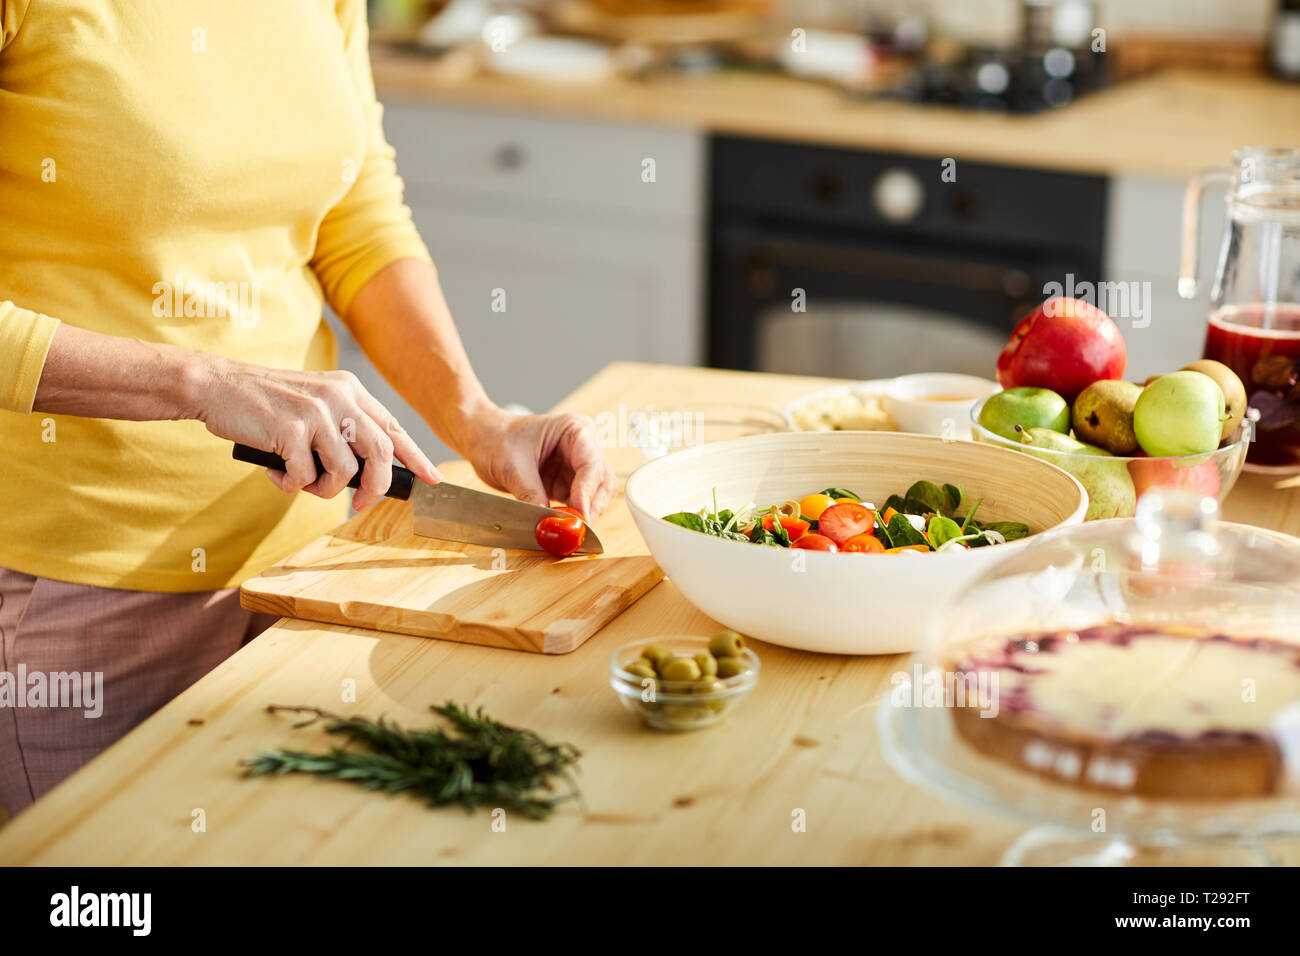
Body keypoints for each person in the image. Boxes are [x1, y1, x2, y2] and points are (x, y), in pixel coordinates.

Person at [0, 1, 615, 818]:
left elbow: (356, 218)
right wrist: (207, 384)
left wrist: (477, 417)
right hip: (82, 585)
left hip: (312, 563)